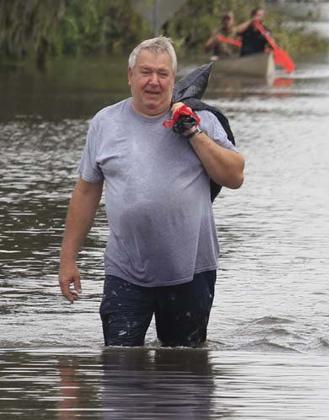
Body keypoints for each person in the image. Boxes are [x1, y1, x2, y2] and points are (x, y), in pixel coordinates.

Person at [58, 36, 245, 347]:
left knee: (184, 372)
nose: (153, 82)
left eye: (162, 74)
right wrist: (67, 260)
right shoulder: (105, 123)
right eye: (145, 72)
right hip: (125, 271)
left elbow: (234, 176)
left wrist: (193, 133)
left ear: (173, 79)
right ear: (130, 76)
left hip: (191, 272)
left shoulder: (201, 121)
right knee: (118, 364)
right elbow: (87, 191)